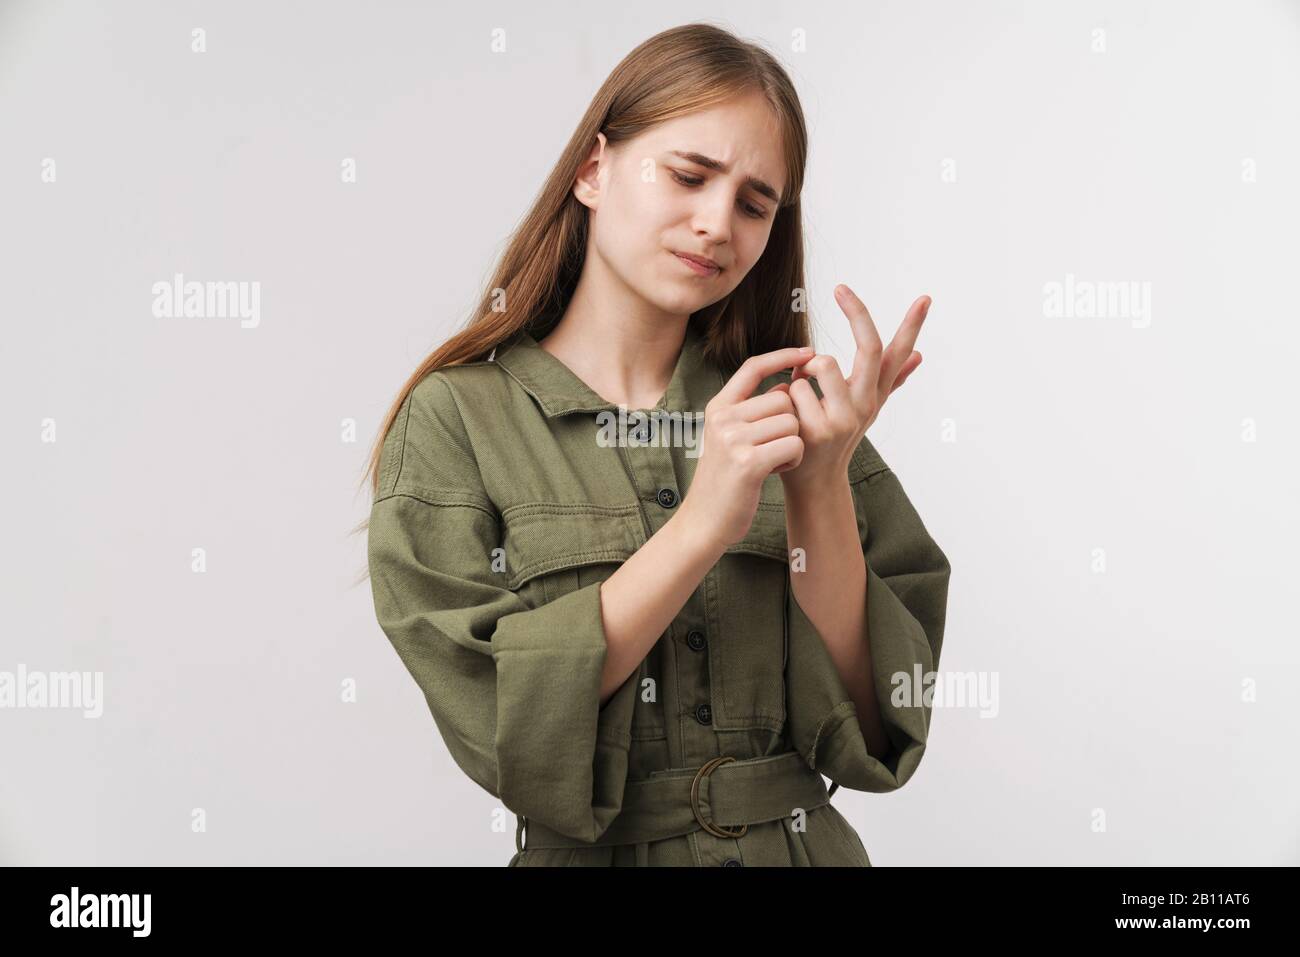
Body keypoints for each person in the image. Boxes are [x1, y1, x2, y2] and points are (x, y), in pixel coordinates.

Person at [359, 22, 951, 866]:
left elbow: (882, 718)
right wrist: (701, 525)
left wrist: (820, 485)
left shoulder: (799, 416)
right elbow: (498, 721)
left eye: (754, 203)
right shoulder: (458, 418)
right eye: (688, 175)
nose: (718, 224)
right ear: (594, 170)